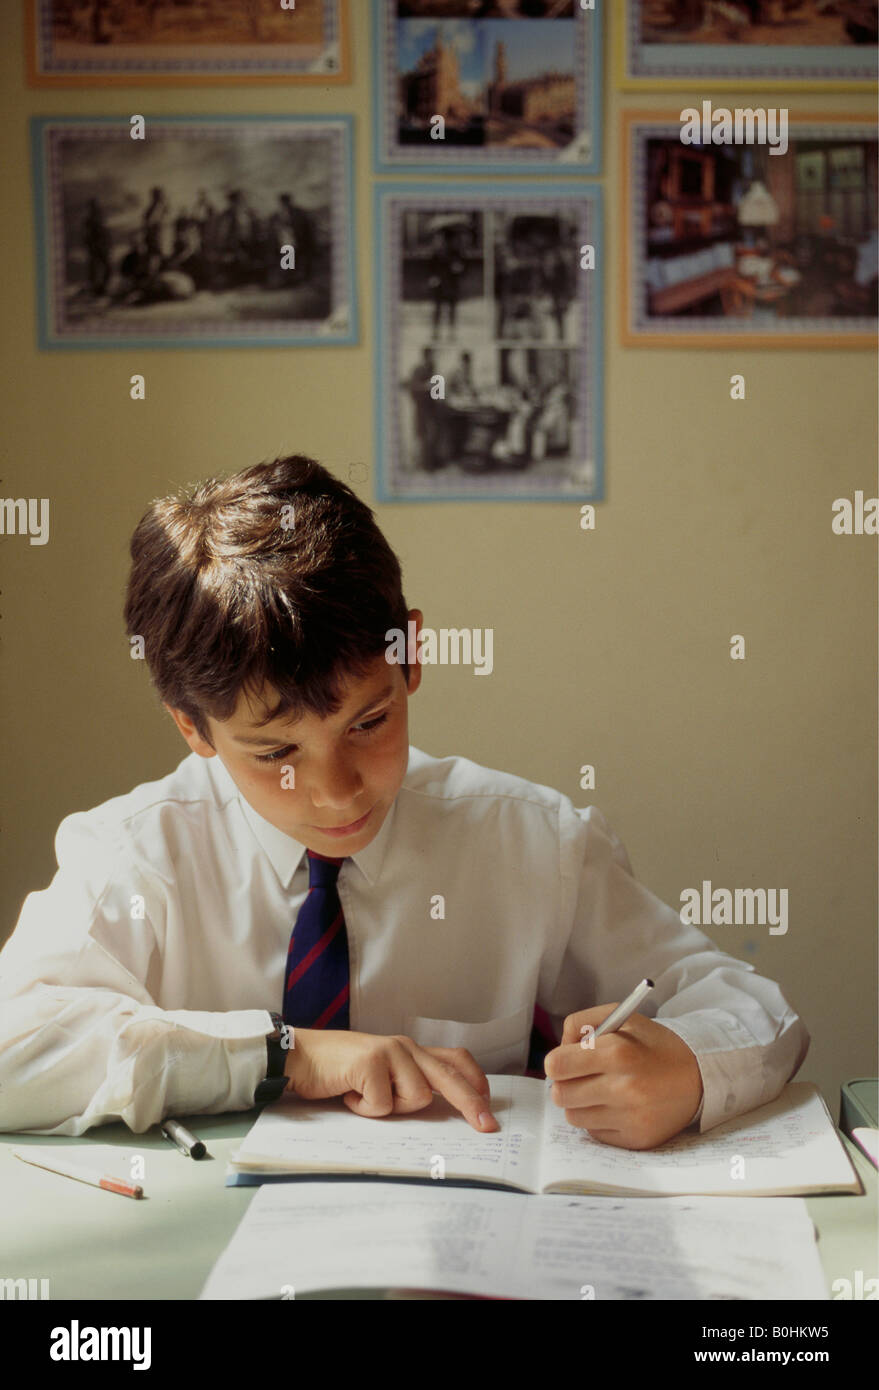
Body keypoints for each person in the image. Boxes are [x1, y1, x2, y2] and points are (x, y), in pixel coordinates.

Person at [0, 456, 808, 1147]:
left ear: (412, 652)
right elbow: (13, 1047)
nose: (336, 789)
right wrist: (288, 1056)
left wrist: (688, 1070)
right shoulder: (135, 854)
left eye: (370, 722)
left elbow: (752, 1008)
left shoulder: (535, 845)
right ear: (193, 728)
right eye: (276, 752)